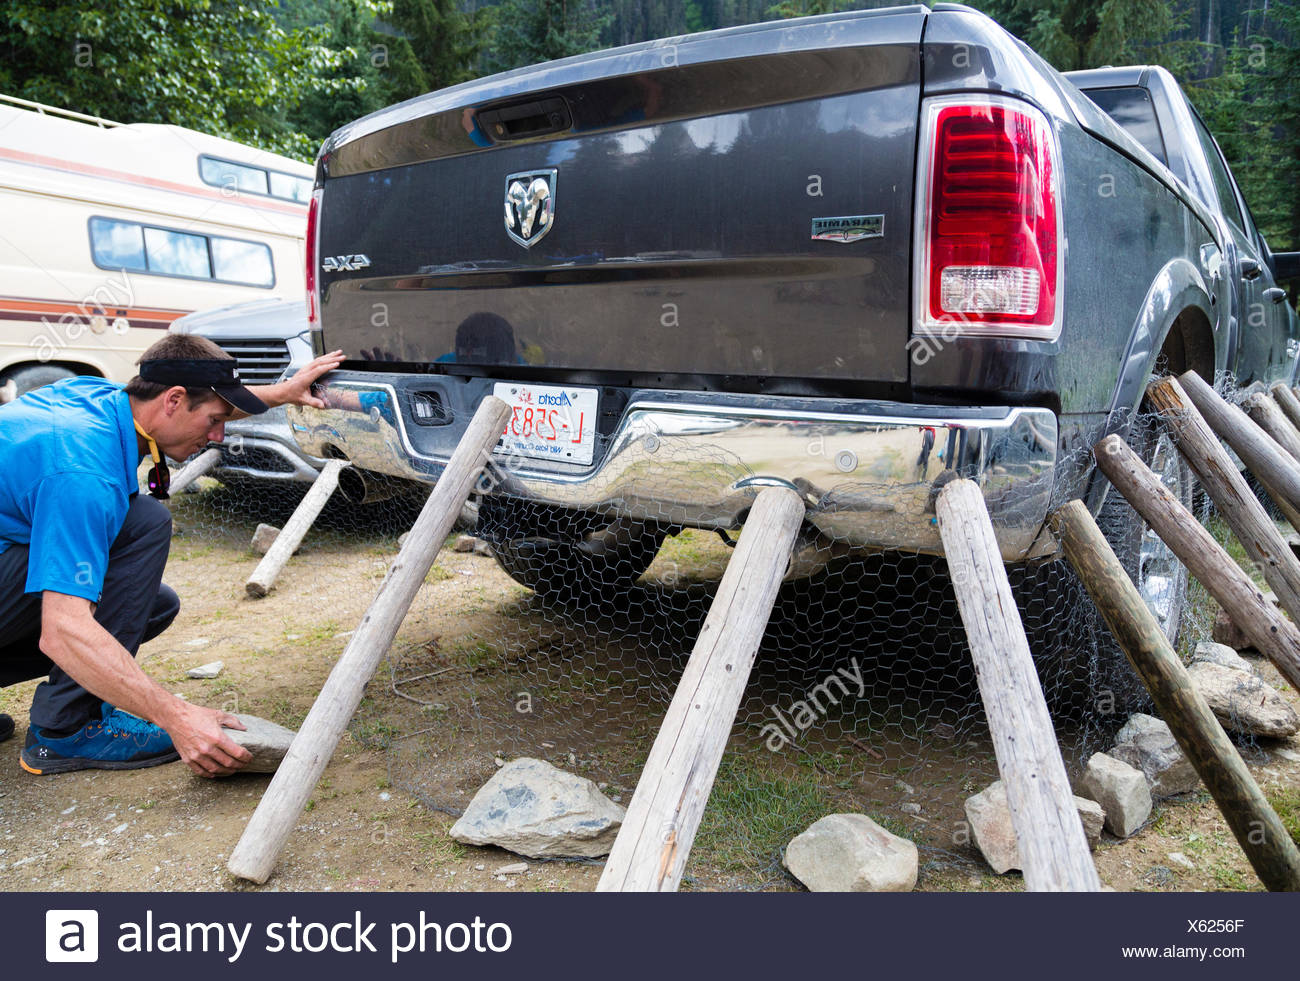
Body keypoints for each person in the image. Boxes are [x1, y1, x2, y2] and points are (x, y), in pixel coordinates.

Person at [0, 334, 344, 777]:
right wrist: (177, 717)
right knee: (142, 525)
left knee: (150, 604)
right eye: (215, 420)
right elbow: (62, 631)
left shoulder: (102, 396)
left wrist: (281, 392)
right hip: (71, 494)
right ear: (173, 400)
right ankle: (65, 731)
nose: (219, 435)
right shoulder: (82, 474)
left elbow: (203, 402)